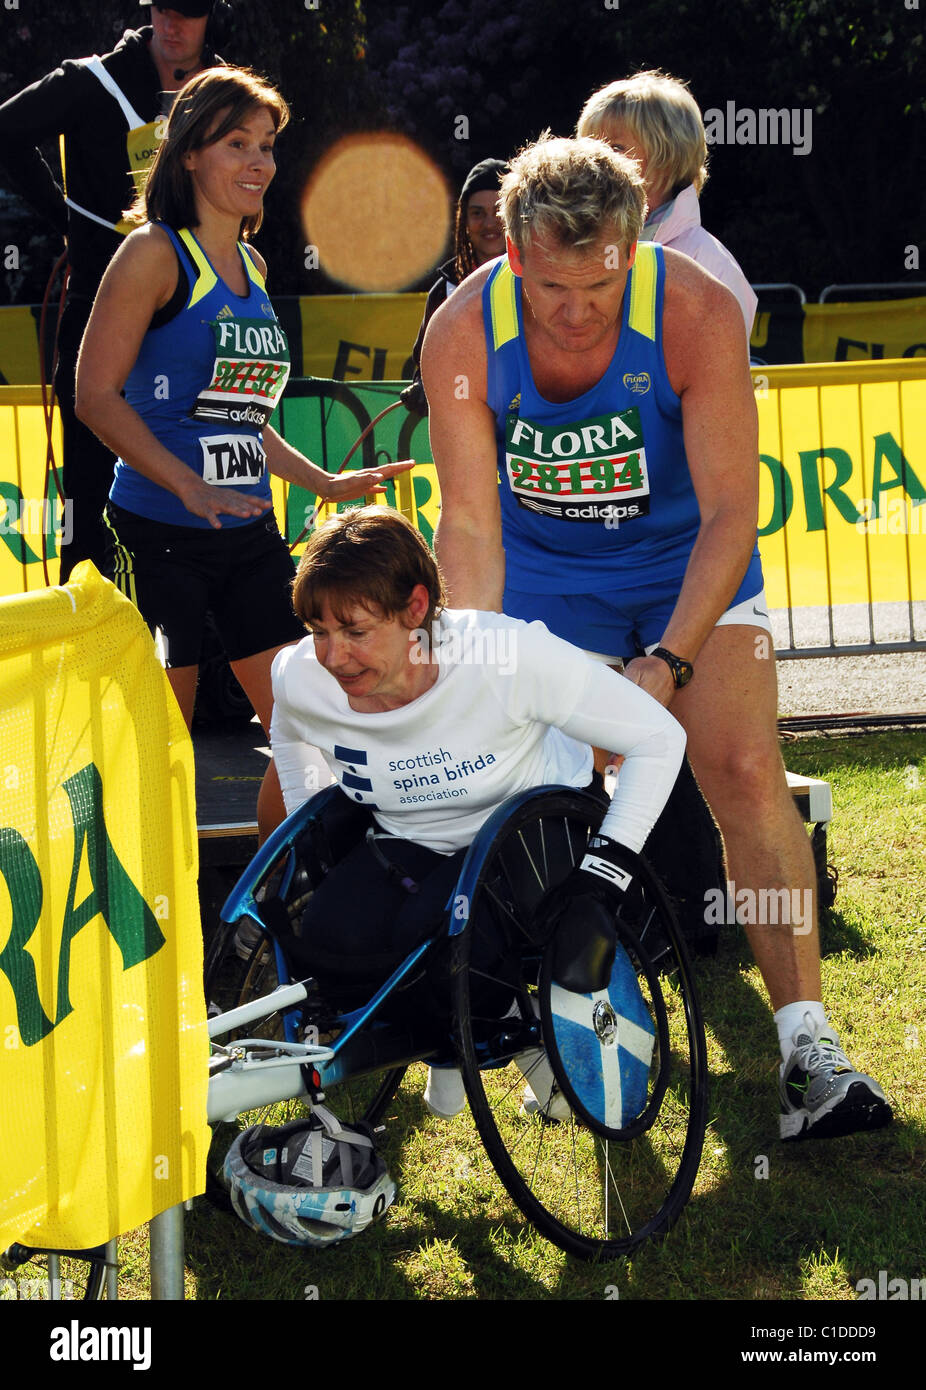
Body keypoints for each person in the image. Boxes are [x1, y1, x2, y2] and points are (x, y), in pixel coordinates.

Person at [421, 134, 892, 1141]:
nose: (578, 307)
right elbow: (466, 523)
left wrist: (669, 661)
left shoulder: (691, 308)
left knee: (741, 768)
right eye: (552, 285)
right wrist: (478, 658)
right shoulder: (462, 333)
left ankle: (807, 1050)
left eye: (600, 283)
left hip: (689, 567)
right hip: (549, 579)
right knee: (544, 789)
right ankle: (551, 1021)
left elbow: (731, 509)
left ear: (632, 250)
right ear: (509, 254)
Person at [269, 505, 687, 1118]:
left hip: (532, 833)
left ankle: (506, 1031)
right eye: (319, 632)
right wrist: (309, 828)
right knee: (334, 942)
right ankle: (452, 1037)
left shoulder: (507, 657)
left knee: (441, 953)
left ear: (415, 610)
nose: (333, 657)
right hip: (409, 838)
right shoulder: (301, 675)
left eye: (355, 632)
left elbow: (659, 739)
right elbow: (289, 730)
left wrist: (601, 886)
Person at [75, 67, 412, 826]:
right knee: (160, 743)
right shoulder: (153, 255)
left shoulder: (254, 267)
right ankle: (150, 918)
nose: (260, 162)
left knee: (312, 730)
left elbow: (243, 414)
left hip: (249, 539)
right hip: (159, 538)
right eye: (238, 143)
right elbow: (94, 395)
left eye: (267, 146)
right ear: (190, 153)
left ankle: (264, 906)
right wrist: (185, 485)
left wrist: (323, 484)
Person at [0, 3, 229, 582]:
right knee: (87, 498)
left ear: (212, 16)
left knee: (203, 490)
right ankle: (88, 642)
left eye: (190, 12)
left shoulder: (225, 93)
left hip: (197, 319)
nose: (174, 25)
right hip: (101, 314)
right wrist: (66, 219)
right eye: (164, 9)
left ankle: (199, 652)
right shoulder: (90, 81)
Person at [577, 71, 757, 340]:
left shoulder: (709, 263)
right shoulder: (572, 243)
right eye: (590, 147)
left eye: (616, 147)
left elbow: (719, 373)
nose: (595, 161)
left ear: (667, 155)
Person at [399, 158, 507, 415]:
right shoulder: (444, 290)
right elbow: (426, 364)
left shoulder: (545, 280)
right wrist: (421, 386)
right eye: (478, 213)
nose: (489, 223)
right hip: (467, 429)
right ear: (465, 221)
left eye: (499, 210)